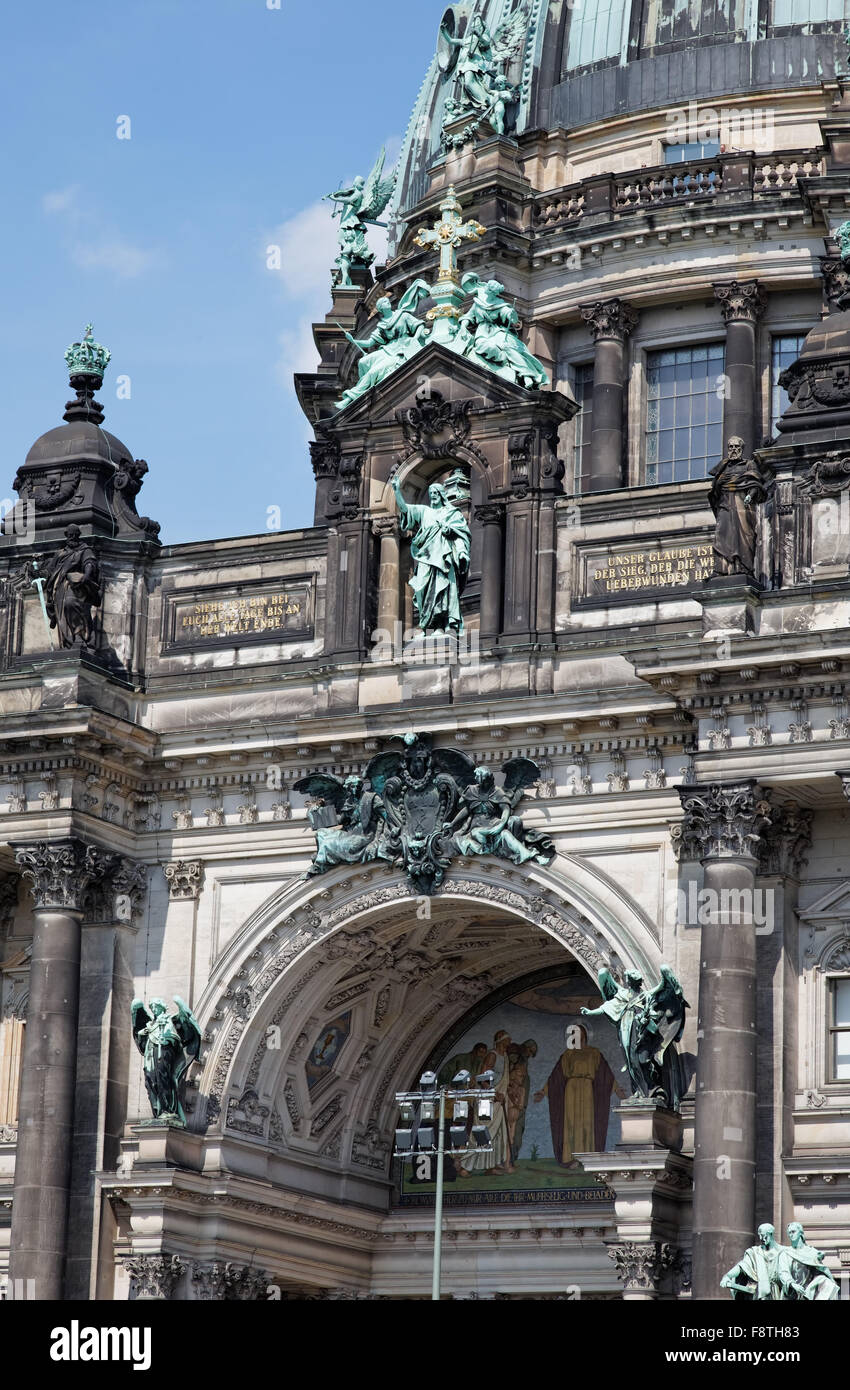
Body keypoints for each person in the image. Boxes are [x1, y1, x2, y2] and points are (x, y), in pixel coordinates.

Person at [392, 477, 470, 634]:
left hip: (444, 558)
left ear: (442, 495)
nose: (433, 495)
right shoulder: (424, 511)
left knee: (445, 590)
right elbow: (405, 509)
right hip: (426, 558)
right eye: (431, 492)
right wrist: (396, 491)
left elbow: (460, 535)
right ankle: (429, 625)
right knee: (424, 590)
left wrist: (462, 552)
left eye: (436, 492)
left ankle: (444, 625)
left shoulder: (451, 513)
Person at [533, 1025, 617, 1168]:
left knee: (586, 1123)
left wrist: (617, 1089)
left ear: (584, 1034)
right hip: (571, 1090)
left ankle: (587, 1158)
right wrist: (543, 1091)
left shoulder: (594, 1053)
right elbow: (556, 1078)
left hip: (587, 1089)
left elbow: (605, 1074)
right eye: (573, 1033)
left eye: (579, 1033)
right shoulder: (568, 1054)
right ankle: (570, 1158)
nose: (576, 1036)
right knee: (571, 1124)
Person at [456, 1030, 513, 1177]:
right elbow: (482, 1078)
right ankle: (465, 1166)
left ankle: (490, 1166)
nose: (509, 1043)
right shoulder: (492, 1055)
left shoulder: (505, 1056)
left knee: (497, 1133)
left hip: (499, 1099)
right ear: (500, 1040)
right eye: (506, 1040)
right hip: (487, 1098)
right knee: (482, 1131)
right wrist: (494, 1094)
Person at [721, 1224, 783, 1299]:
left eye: (763, 1235)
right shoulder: (754, 1252)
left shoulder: (784, 1252)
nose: (761, 1238)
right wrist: (728, 1276)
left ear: (771, 1234)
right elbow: (742, 1267)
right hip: (758, 1292)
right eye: (759, 1235)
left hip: (778, 1293)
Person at [778, 1223, 839, 1300]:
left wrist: (831, 1280)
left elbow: (820, 1271)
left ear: (800, 1233)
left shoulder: (811, 1252)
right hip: (792, 1293)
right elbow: (783, 1272)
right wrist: (792, 1284)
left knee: (826, 1281)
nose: (791, 1235)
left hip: (808, 1292)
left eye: (793, 1232)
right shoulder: (785, 1253)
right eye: (789, 1233)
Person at [506, 1040, 537, 1162]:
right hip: (513, 1101)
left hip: (520, 1103)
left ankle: (512, 1157)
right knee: (512, 1132)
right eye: (530, 1051)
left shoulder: (523, 1061)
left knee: (518, 1130)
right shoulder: (516, 1055)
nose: (530, 1055)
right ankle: (509, 1158)